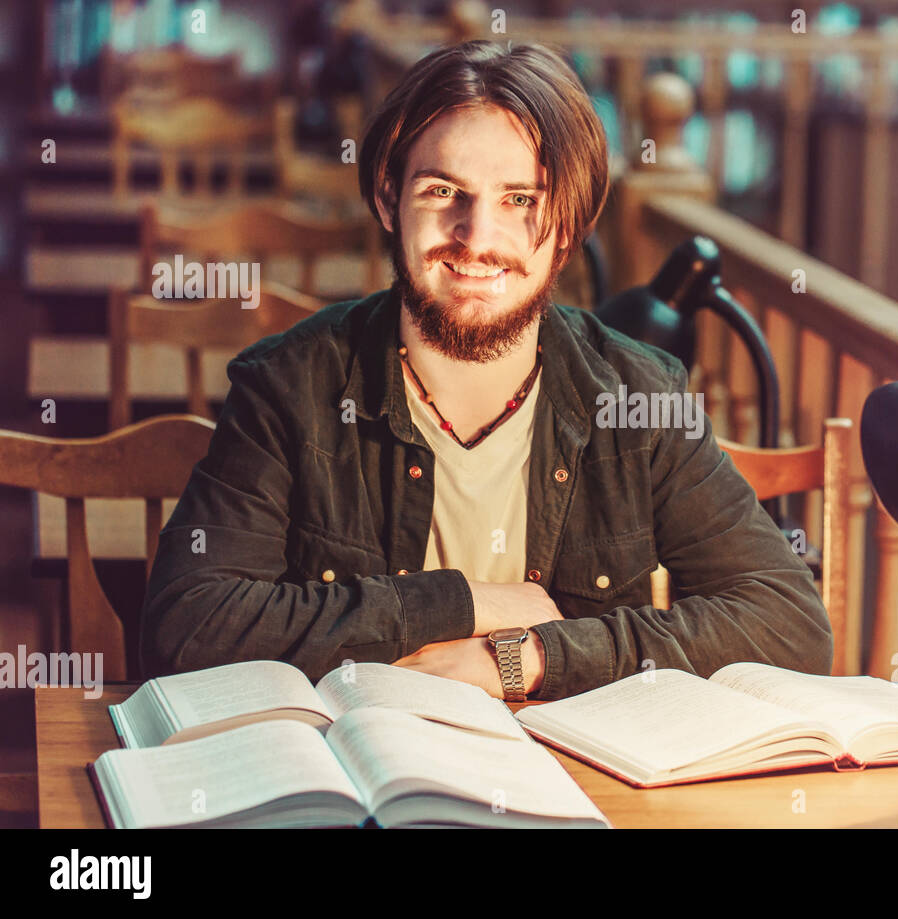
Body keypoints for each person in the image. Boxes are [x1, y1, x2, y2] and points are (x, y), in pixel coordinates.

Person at [141, 40, 832, 700]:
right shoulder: (289, 385)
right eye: (444, 192)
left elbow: (787, 622)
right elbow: (186, 627)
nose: (477, 238)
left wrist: (523, 657)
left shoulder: (638, 398)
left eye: (519, 200)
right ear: (388, 198)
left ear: (567, 225)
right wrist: (464, 601)